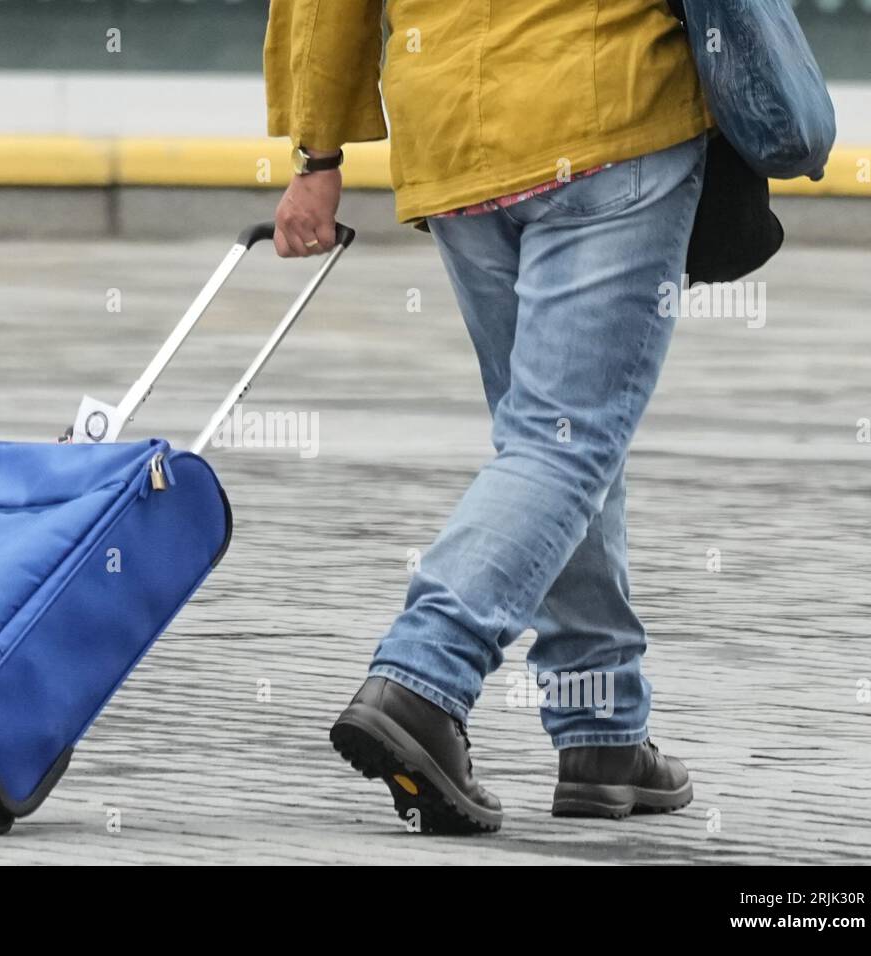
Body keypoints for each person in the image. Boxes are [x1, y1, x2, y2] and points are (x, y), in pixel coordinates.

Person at [265, 0, 710, 833]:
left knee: (555, 441)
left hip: (456, 131)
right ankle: (421, 678)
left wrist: (316, 154)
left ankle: (602, 730)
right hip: (607, 102)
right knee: (560, 442)